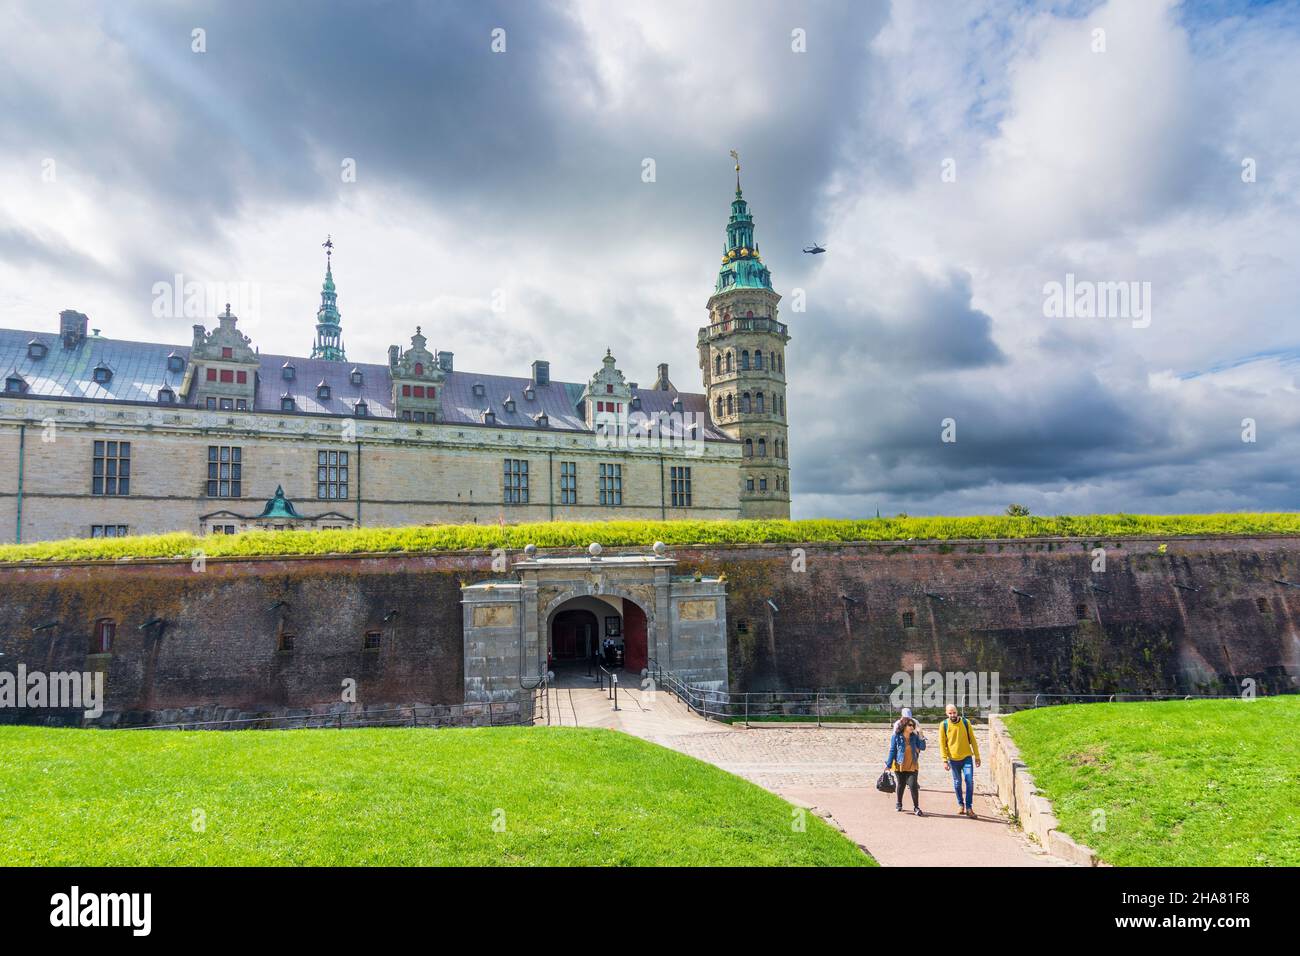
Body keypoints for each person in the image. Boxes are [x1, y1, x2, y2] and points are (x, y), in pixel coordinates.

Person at [940, 703, 981, 818]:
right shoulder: (943, 725)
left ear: (957, 712)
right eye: (950, 713)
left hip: (967, 757)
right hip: (953, 759)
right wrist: (944, 760)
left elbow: (973, 740)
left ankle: (969, 807)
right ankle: (960, 804)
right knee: (957, 783)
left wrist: (977, 756)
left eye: (954, 712)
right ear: (946, 713)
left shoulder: (965, 722)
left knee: (969, 781)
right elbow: (942, 744)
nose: (952, 715)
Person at [884, 711, 926, 815]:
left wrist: (920, 734)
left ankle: (916, 807)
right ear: (904, 726)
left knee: (913, 785)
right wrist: (888, 765)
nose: (912, 727)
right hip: (900, 764)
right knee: (901, 784)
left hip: (912, 764)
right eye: (910, 725)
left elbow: (923, 747)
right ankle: (899, 803)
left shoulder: (915, 736)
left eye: (913, 725)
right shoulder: (896, 737)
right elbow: (892, 750)